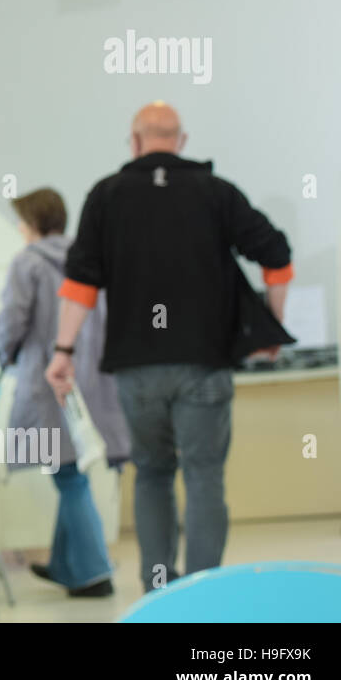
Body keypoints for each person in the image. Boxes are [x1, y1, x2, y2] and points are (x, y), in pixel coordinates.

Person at [45, 103, 292, 593]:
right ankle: (202, 594)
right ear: (180, 141)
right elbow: (277, 255)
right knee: (204, 477)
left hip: (137, 368)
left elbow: (80, 284)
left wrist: (63, 352)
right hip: (205, 363)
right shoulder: (216, 193)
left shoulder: (106, 196)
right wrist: (272, 330)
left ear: (134, 141)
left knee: (153, 473)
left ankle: (160, 591)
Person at [0, 188, 130, 597]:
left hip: (48, 379)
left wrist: (3, 352)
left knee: (68, 476)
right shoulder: (88, 257)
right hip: (93, 380)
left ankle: (93, 572)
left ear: (32, 223)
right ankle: (66, 566)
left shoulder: (27, 263)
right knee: (71, 469)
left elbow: (12, 321)